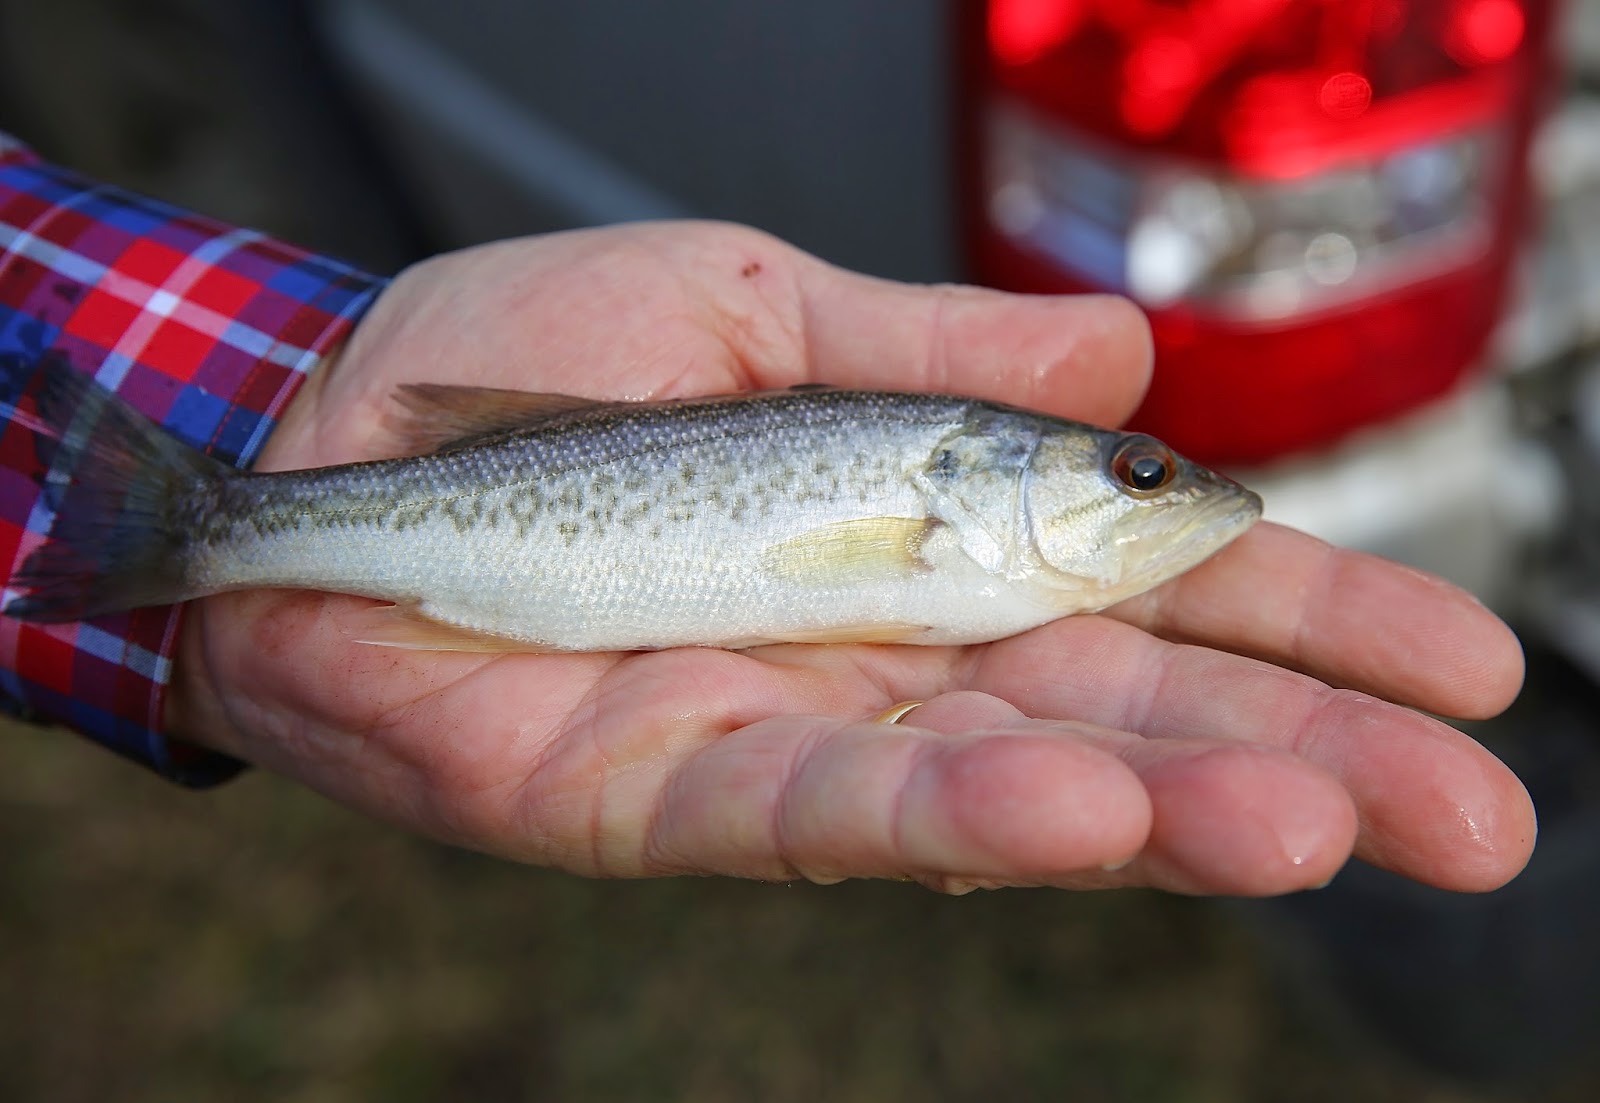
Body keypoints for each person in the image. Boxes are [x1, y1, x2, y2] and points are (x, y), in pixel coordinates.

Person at [0, 133, 1535, 897]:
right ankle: (203, 521)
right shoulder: (958, 521)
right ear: (983, 481)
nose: (1172, 495)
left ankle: (193, 519)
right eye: (1137, 474)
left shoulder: (993, 549)